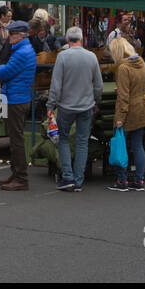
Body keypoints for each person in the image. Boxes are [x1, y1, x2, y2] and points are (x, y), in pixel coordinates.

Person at [47, 27, 103, 192]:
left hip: (66, 107)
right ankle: (79, 180)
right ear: (82, 39)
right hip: (86, 106)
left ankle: (68, 177)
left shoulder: (62, 57)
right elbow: (98, 85)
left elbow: (56, 86)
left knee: (63, 140)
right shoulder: (92, 57)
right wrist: (96, 101)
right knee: (82, 142)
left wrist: (50, 106)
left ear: (66, 39)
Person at [109, 36, 145, 191]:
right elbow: (138, 84)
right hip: (142, 107)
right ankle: (139, 179)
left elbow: (123, 97)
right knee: (138, 144)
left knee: (121, 144)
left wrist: (120, 118)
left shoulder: (123, 68)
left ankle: (122, 180)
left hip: (128, 110)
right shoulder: (140, 62)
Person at [0, 20, 36, 191]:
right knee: (15, 139)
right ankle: (16, 173)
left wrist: (0, 69)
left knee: (16, 140)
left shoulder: (22, 53)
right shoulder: (23, 49)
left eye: (12, 34)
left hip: (16, 100)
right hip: (16, 97)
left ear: (21, 36)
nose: (9, 36)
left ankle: (21, 177)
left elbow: (4, 72)